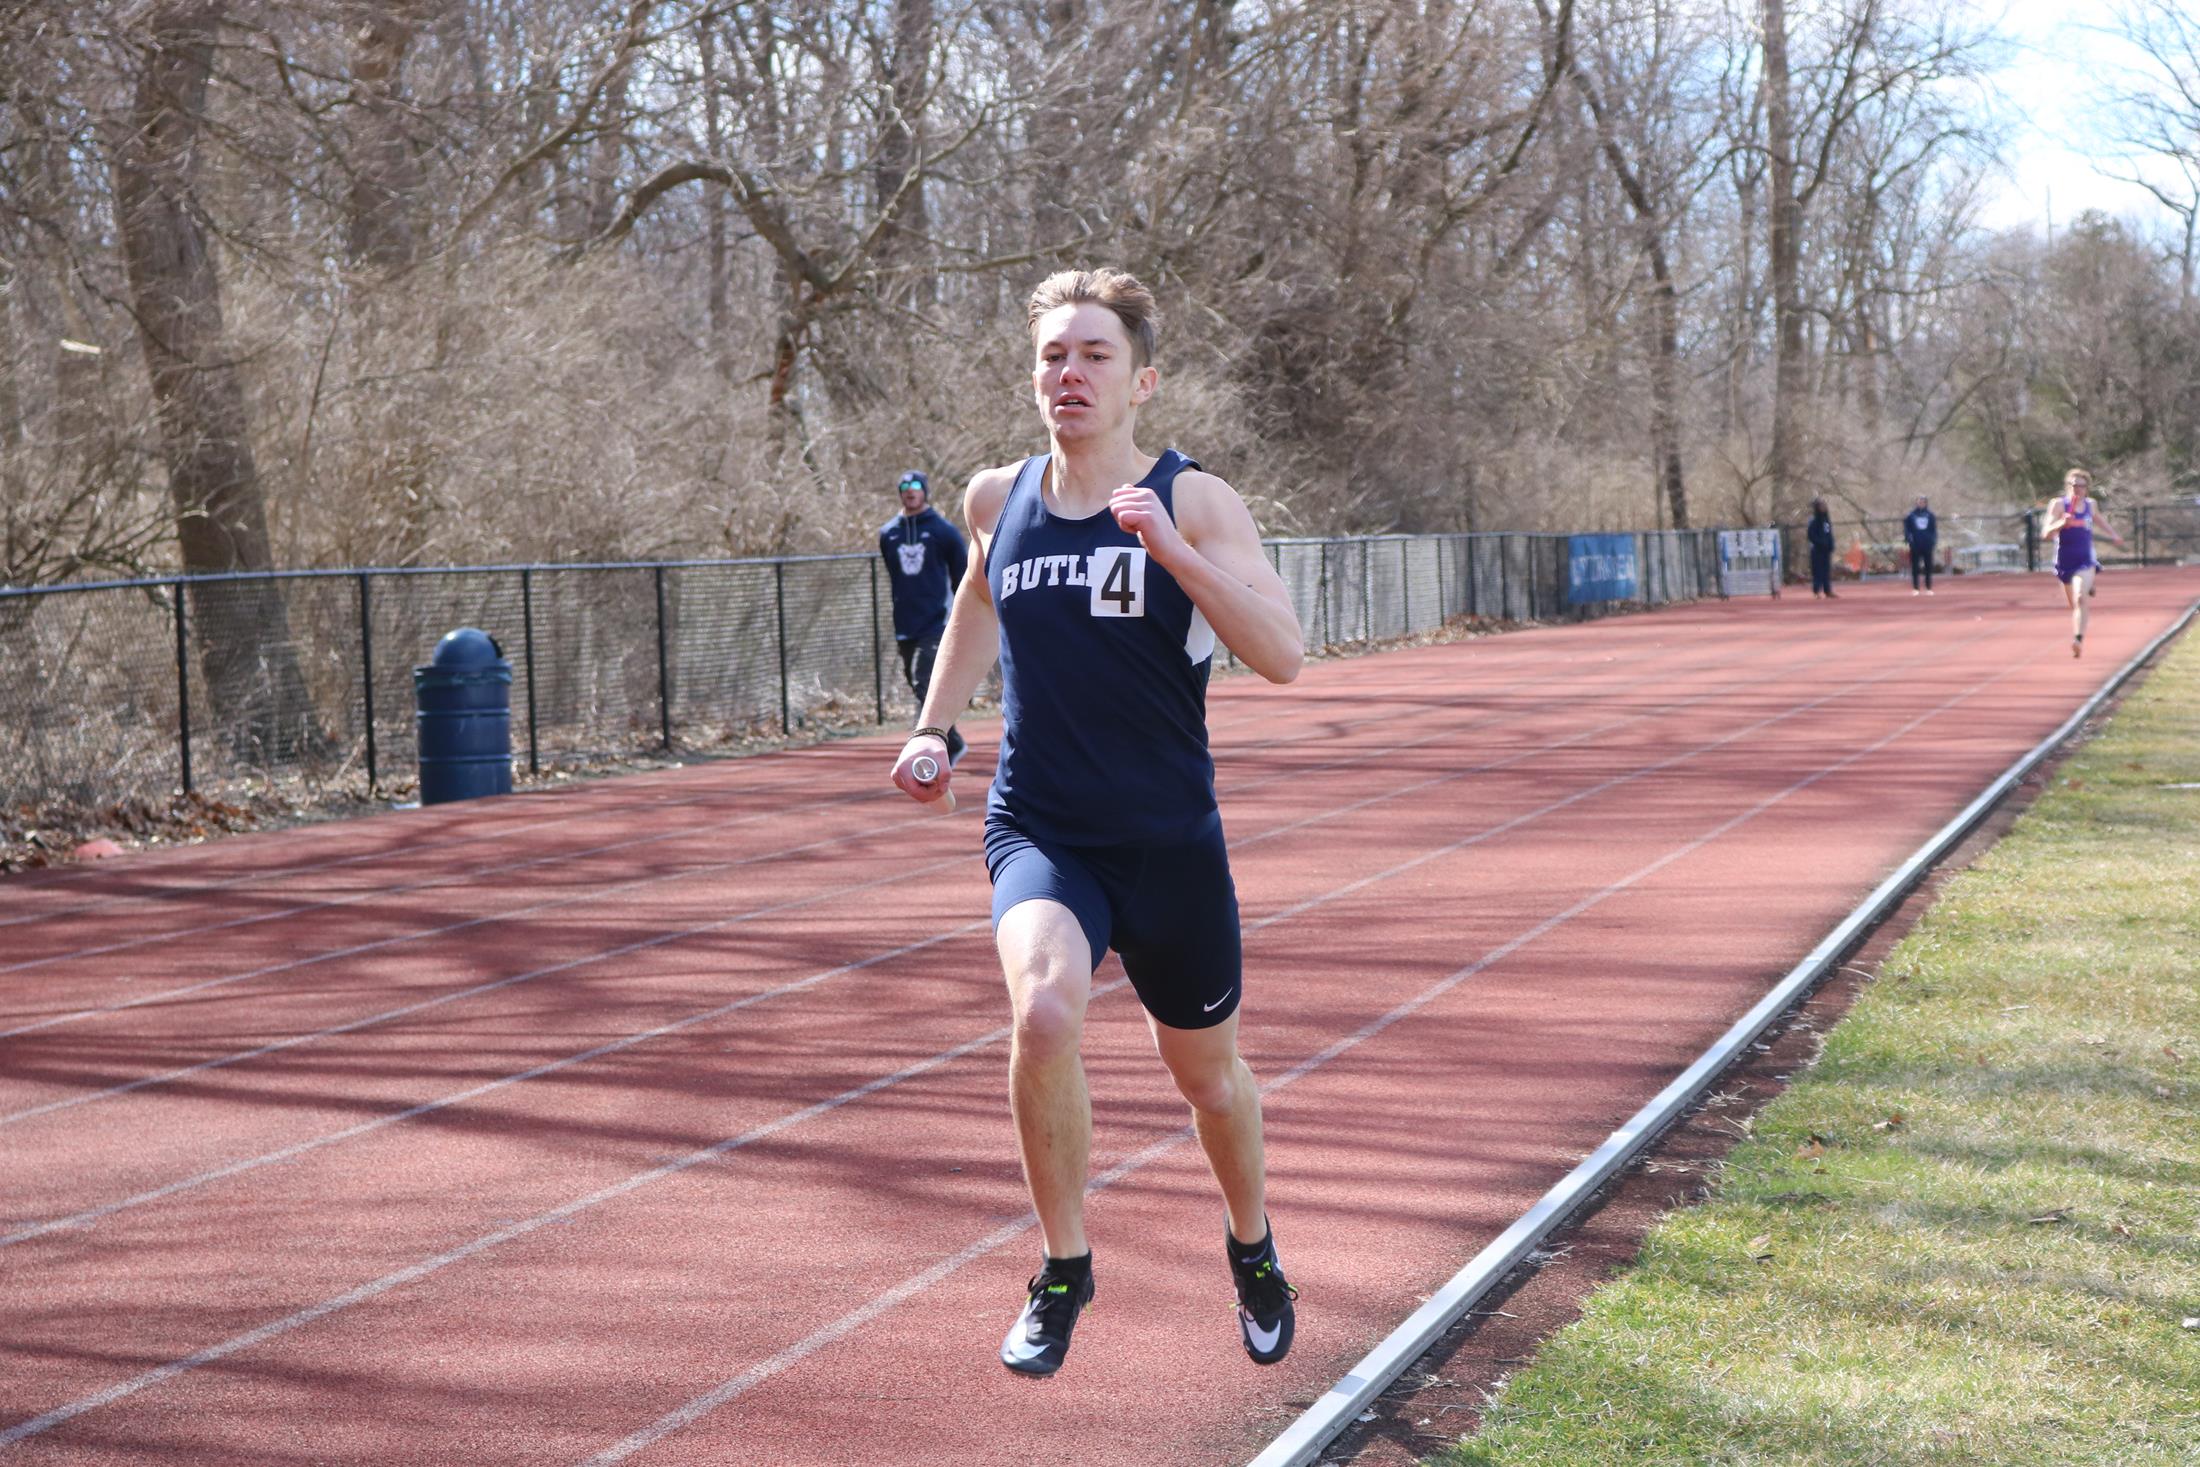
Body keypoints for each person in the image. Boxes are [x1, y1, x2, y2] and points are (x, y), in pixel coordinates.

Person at [888, 267, 1306, 1378]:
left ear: (1142, 381)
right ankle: (1064, 1266)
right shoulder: (995, 497)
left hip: (1169, 843)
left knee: (1208, 1082)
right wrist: (937, 730)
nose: (1069, 374)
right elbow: (978, 599)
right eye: (1052, 356)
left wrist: (1170, 550)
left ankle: (1253, 1248)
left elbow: (1282, 655)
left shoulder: (1199, 500)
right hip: (1043, 829)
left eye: (1094, 356)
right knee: (1043, 1015)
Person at [878, 469, 968, 765]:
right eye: (904, 486)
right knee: (917, 684)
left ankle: (922, 751)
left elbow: (963, 578)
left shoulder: (944, 531)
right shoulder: (889, 533)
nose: (910, 490)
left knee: (924, 683)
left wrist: (961, 619)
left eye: (916, 485)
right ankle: (952, 740)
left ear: (925, 491)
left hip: (937, 623)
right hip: (905, 624)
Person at [2042, 467, 2124, 658]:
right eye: (2073, 485)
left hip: (2085, 560)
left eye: (2081, 485)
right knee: (2074, 605)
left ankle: (2078, 639)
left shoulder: (2090, 504)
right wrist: (2061, 523)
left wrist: (2114, 535)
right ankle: (2086, 591)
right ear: (2067, 486)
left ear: (2087, 488)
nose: (2077, 489)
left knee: (2080, 599)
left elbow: (2099, 520)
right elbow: (2045, 534)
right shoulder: (2058, 505)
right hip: (2064, 561)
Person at [1903, 495, 1938, 594]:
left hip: (1927, 544)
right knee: (1915, 567)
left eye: (1923, 502)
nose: (1921, 503)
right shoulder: (1911, 515)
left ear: (1926, 503)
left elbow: (1933, 530)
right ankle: (1916, 588)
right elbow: (1907, 529)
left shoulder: (1930, 515)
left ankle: (1928, 588)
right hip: (1915, 544)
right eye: (1919, 502)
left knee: (1928, 567)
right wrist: (1909, 540)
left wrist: (1933, 541)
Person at [1806, 498, 1837, 598]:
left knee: (1826, 571)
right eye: (1821, 506)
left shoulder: (1826, 520)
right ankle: (1817, 591)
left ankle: (1827, 590)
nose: (1824, 508)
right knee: (1817, 571)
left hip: (1826, 550)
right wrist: (1820, 543)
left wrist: (1831, 544)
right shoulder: (1813, 521)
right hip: (1817, 550)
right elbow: (1811, 535)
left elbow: (1829, 534)